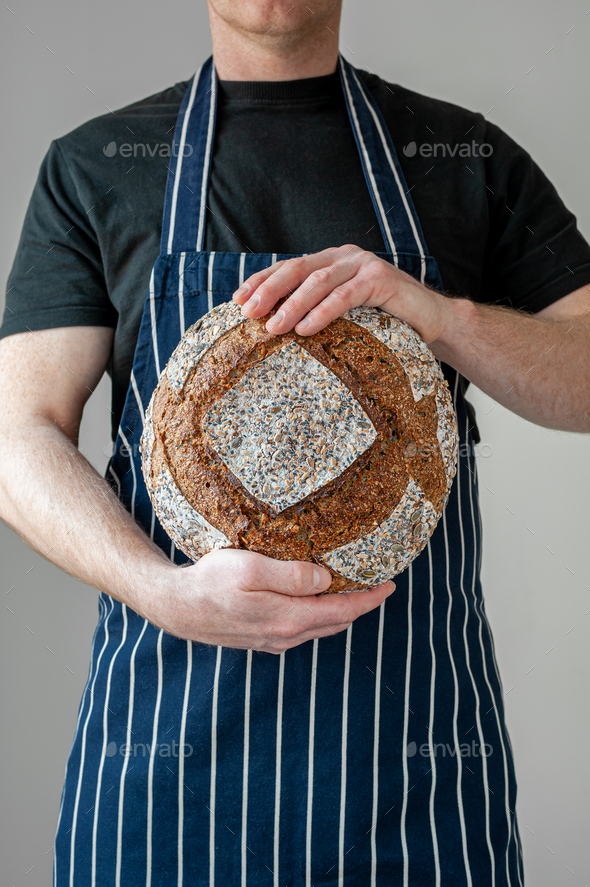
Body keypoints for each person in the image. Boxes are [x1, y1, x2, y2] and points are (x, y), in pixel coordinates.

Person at [1, 1, 589, 884]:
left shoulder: (465, 158)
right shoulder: (95, 169)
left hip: (413, 784)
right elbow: (17, 438)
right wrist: (164, 592)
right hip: (166, 773)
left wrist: (448, 319)